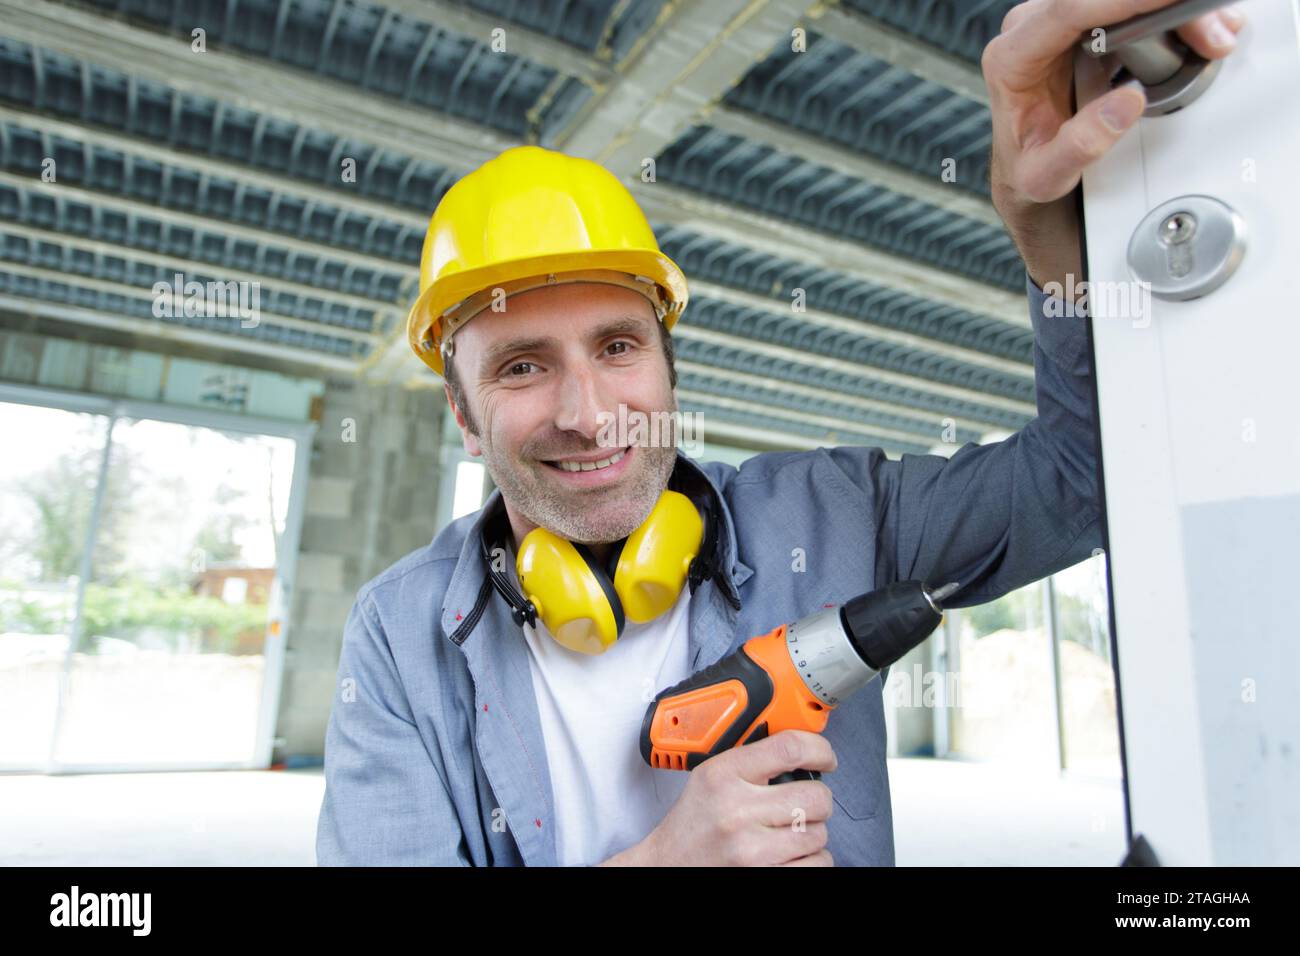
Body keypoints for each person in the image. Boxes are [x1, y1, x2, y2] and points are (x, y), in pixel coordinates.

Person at [316, 0, 1245, 866]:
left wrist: (1049, 244)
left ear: (668, 364)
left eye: (616, 345)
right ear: (462, 415)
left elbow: (1088, 483)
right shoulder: (400, 637)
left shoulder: (840, 516)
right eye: (521, 365)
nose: (588, 412)